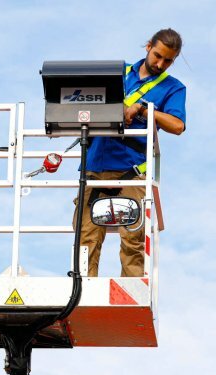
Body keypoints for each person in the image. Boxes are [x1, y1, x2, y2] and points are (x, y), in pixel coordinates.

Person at [76, 28, 187, 277]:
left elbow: (177, 126)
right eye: (158, 55)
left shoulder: (173, 88)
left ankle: (131, 291)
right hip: (94, 166)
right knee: (85, 237)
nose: (161, 64)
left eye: (168, 60)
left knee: (133, 237)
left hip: (132, 171)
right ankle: (83, 290)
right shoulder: (116, 73)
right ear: (148, 46)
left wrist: (143, 110)